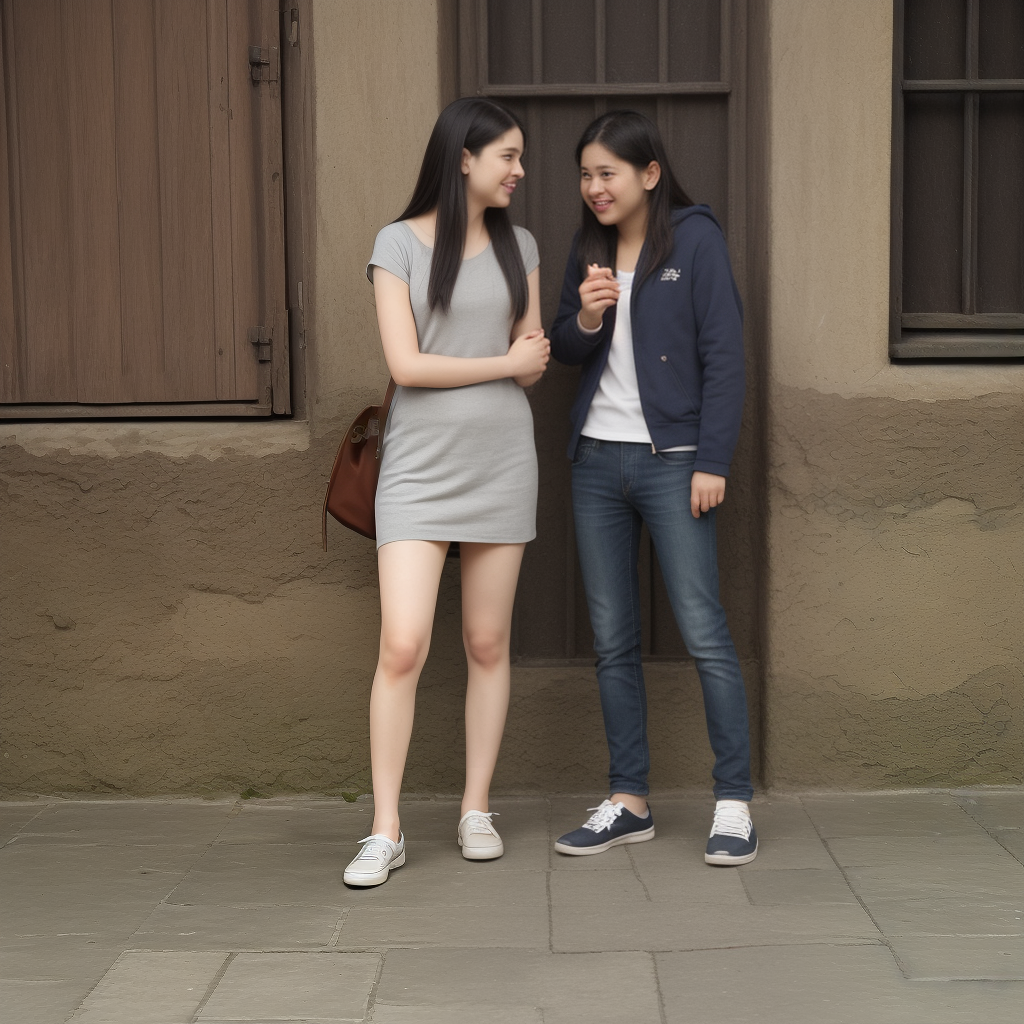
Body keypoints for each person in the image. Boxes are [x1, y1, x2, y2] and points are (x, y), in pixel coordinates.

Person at [343, 98, 550, 887]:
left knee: (487, 643)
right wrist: (505, 364)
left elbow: (532, 360)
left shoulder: (520, 246)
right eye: (508, 156)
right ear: (464, 157)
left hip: (502, 461)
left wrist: (543, 349)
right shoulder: (395, 244)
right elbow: (407, 366)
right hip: (418, 469)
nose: (520, 170)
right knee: (403, 645)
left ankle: (475, 809)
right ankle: (385, 829)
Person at [549, 110, 756, 866]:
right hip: (597, 462)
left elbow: (724, 356)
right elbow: (564, 345)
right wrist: (585, 317)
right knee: (612, 640)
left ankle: (733, 801)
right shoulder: (590, 247)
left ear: (649, 173)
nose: (594, 187)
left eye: (607, 173)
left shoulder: (695, 241)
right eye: (585, 174)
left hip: (675, 462)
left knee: (703, 631)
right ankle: (629, 801)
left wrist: (713, 461)